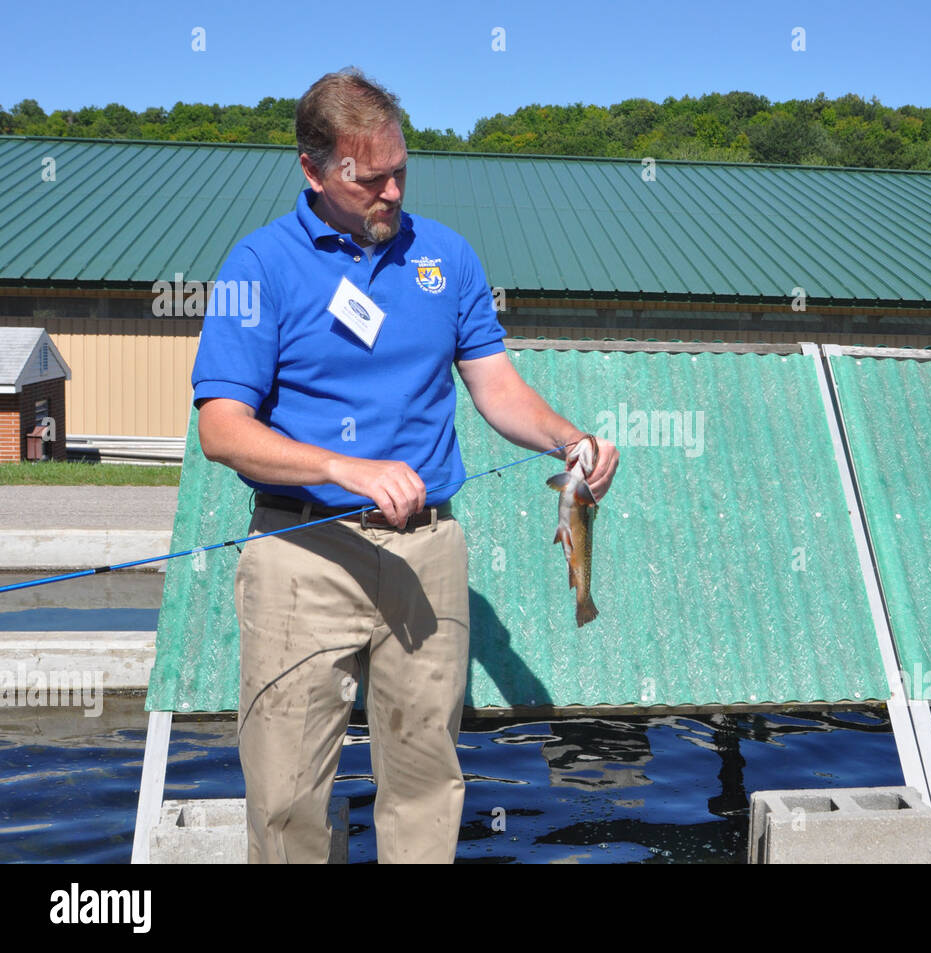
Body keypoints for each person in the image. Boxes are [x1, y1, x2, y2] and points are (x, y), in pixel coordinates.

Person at [191, 68, 617, 863]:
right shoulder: (259, 266)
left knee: (426, 787)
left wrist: (570, 440)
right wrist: (346, 467)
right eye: (368, 178)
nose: (390, 192)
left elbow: (497, 388)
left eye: (400, 171)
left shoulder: (446, 259)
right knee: (286, 801)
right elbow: (223, 429)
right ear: (314, 171)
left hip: (426, 552)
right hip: (301, 552)